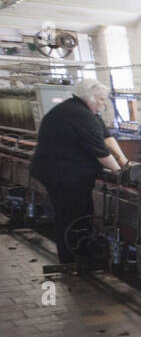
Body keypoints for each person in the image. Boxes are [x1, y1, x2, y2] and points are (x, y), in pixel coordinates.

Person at [28, 79, 128, 263]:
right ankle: (71, 260)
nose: (104, 104)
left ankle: (82, 252)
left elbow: (106, 137)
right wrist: (122, 174)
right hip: (62, 176)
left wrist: (123, 160)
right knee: (69, 216)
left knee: (83, 213)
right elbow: (101, 152)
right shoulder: (79, 115)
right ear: (87, 97)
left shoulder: (85, 111)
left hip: (70, 175)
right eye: (100, 99)